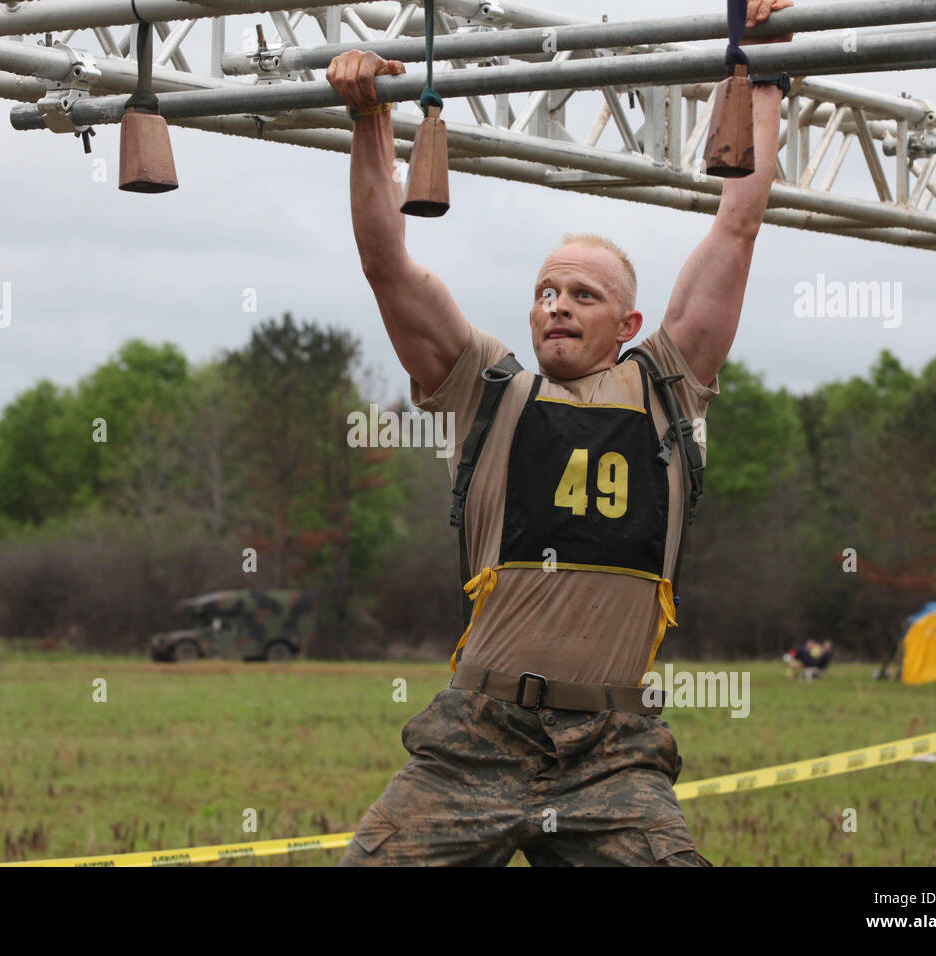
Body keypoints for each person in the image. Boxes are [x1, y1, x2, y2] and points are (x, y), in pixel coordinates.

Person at [332, 0, 793, 866]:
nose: (557, 306)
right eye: (547, 291)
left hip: (611, 752)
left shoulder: (666, 384)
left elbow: (737, 222)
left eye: (583, 295)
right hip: (476, 739)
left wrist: (761, 72)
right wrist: (369, 122)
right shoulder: (486, 388)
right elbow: (386, 265)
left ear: (628, 324)